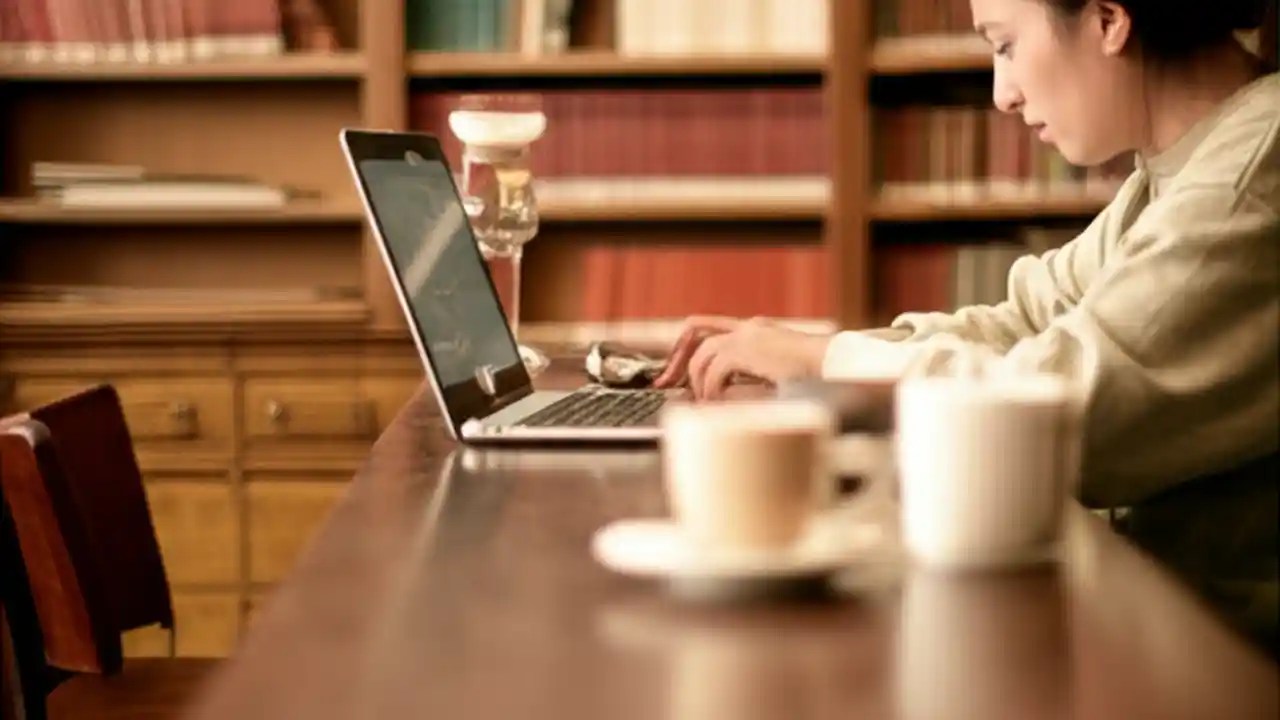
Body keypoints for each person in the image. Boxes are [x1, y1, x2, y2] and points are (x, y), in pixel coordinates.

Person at [655, 0, 1279, 652]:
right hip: (1157, 636)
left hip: (1225, 671)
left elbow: (1066, 410)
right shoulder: (1182, 170)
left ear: (1106, 19)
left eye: (1005, 46)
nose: (1002, 95)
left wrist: (829, 363)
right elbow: (1027, 318)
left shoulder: (1253, 175)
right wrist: (819, 355)